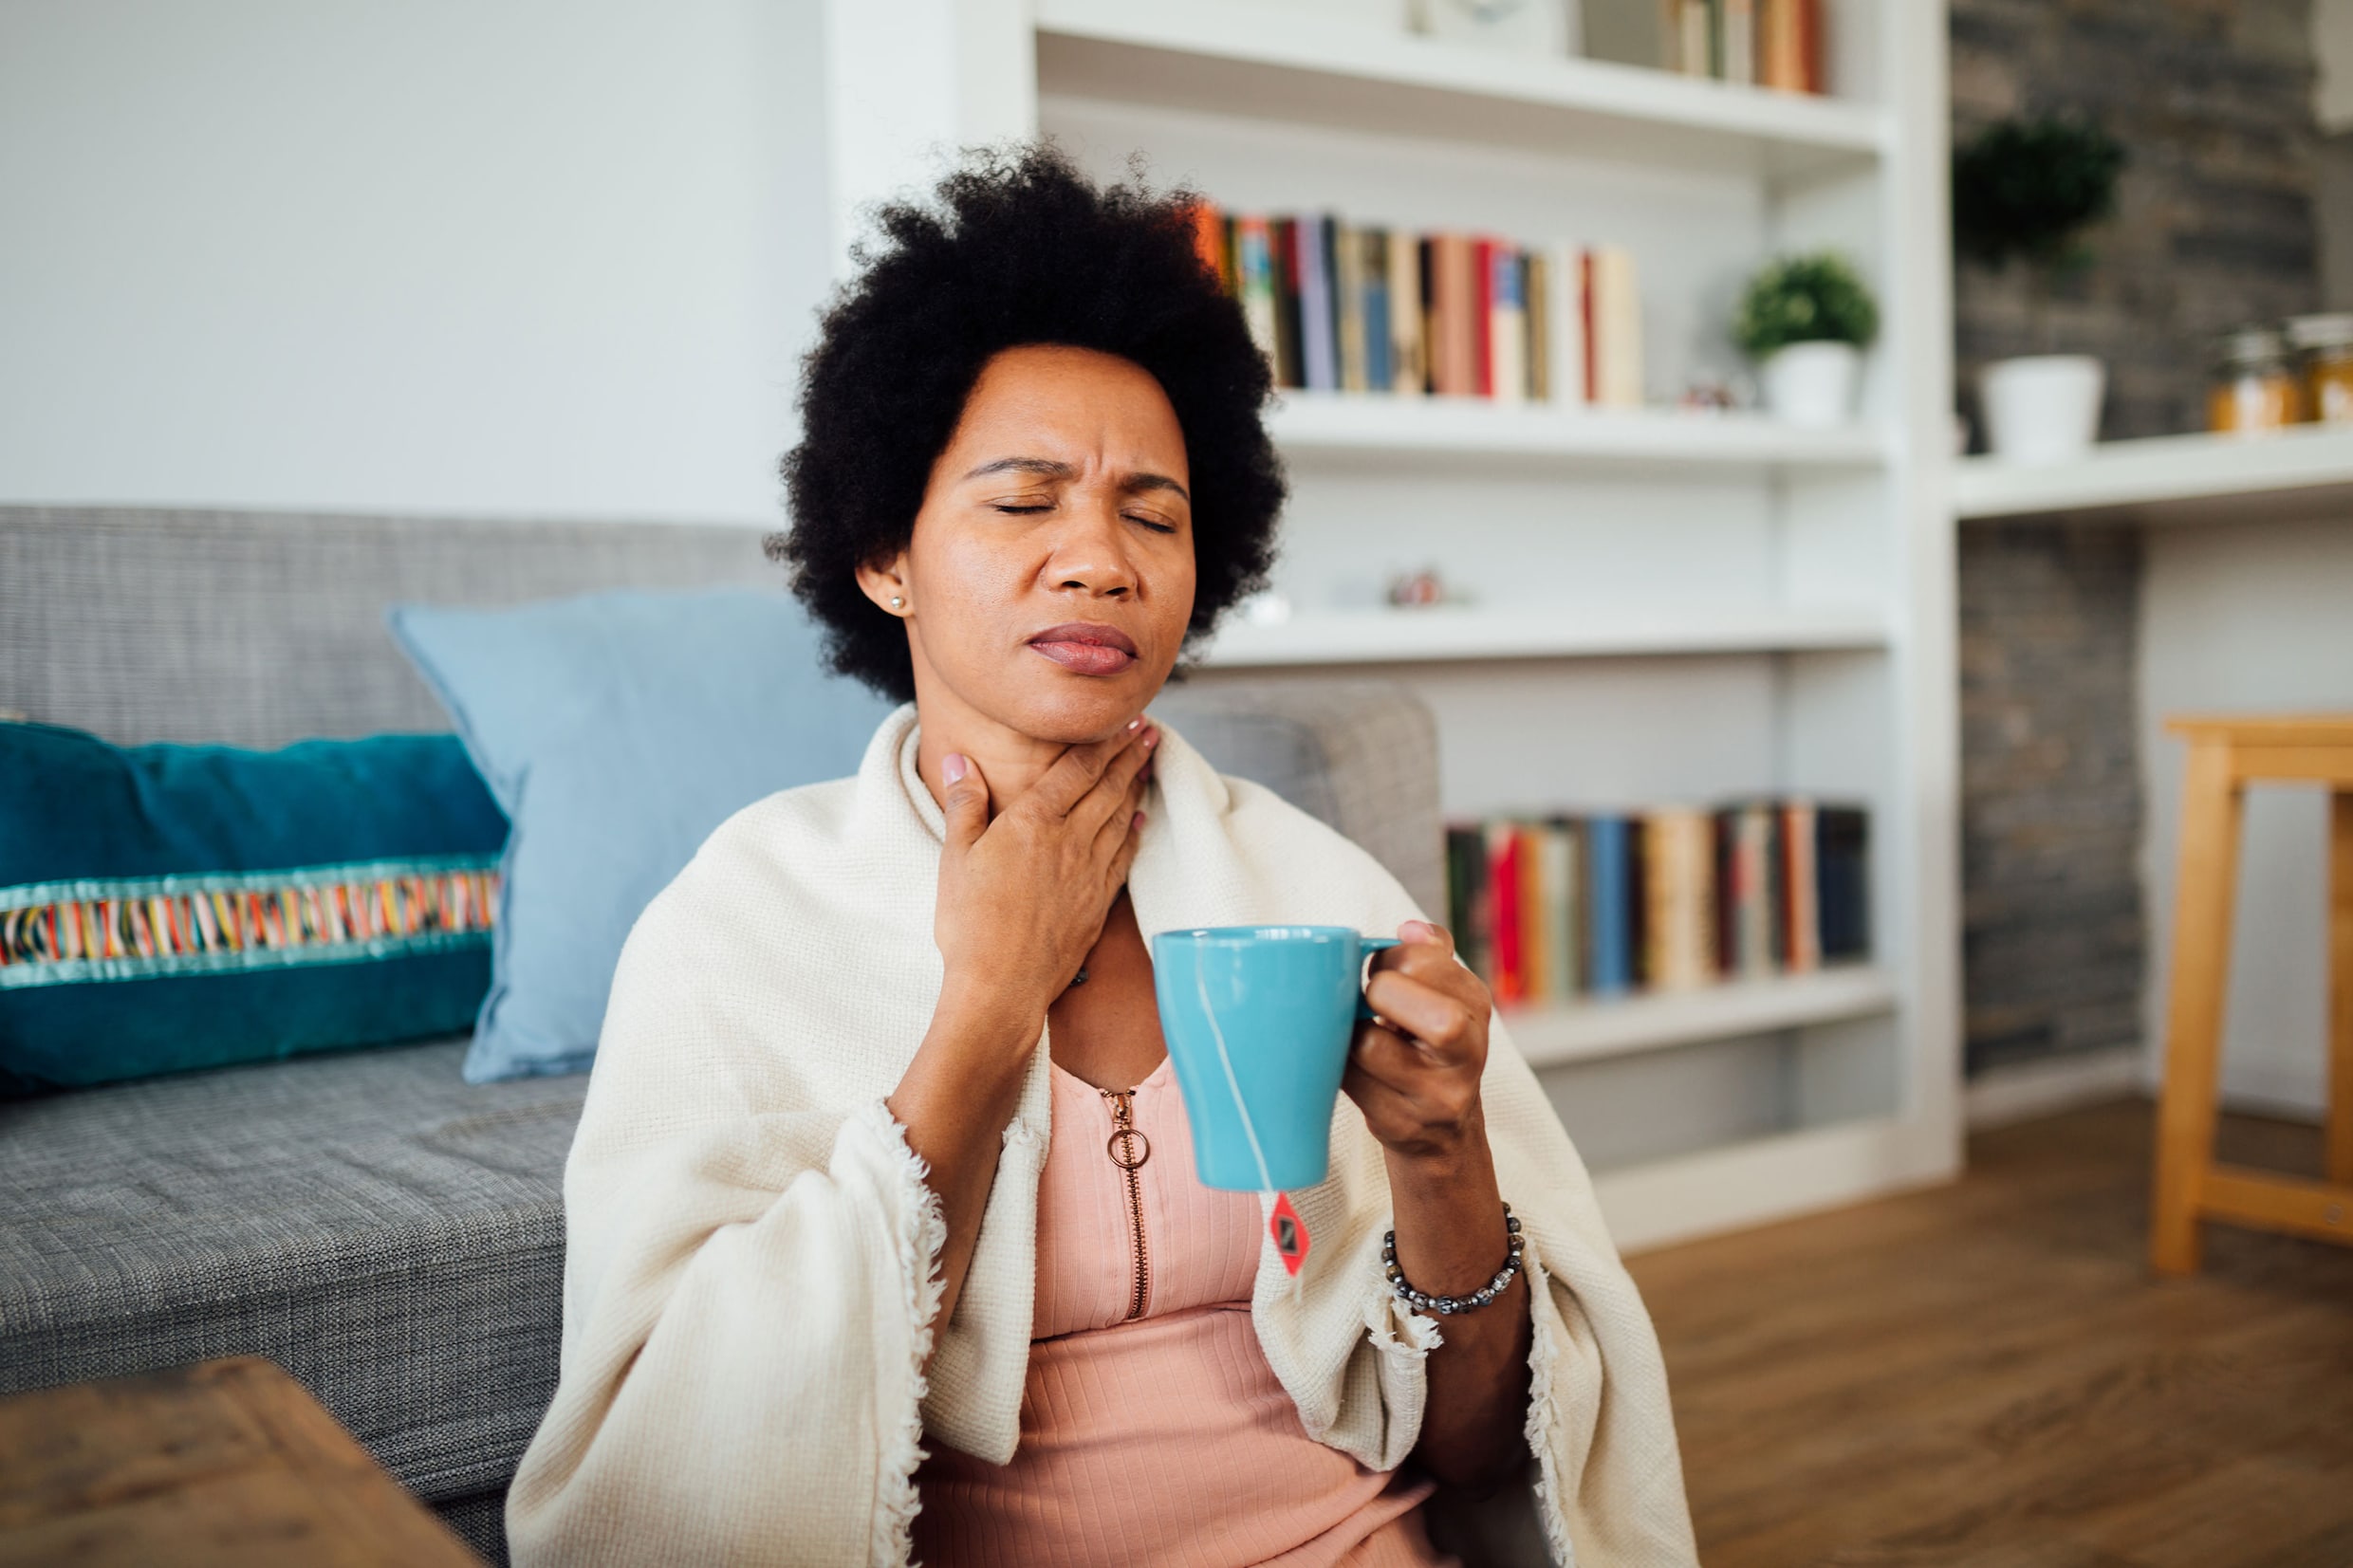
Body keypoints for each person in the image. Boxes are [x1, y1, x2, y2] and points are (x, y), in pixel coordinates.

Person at [506, 145, 1695, 1567]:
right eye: (1024, 502)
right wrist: (991, 998)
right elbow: (689, 1451)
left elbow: (1484, 1456)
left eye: (1153, 513)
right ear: (886, 555)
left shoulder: (1313, 891)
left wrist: (1444, 1154)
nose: (1101, 560)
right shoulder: (745, 917)